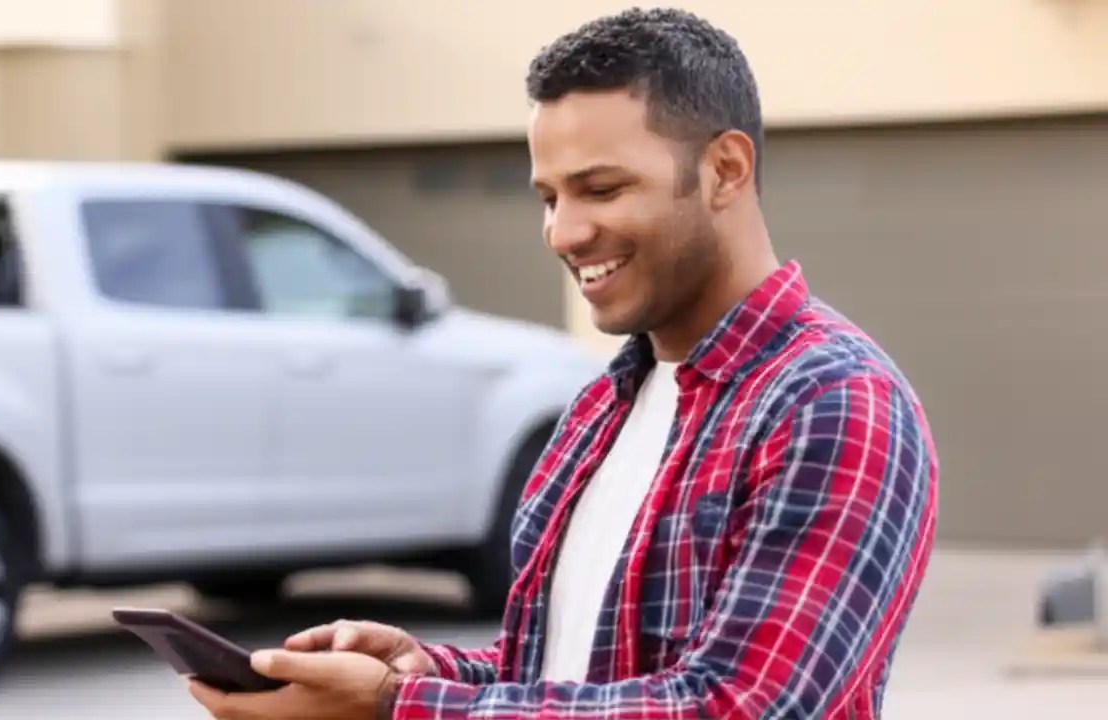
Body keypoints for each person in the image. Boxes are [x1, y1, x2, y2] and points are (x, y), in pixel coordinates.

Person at [186, 6, 939, 719]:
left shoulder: (834, 402)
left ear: (726, 170)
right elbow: (558, 672)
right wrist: (426, 670)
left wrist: (392, 707)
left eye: (601, 189)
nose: (563, 232)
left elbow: (737, 706)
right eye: (549, 196)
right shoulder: (601, 406)